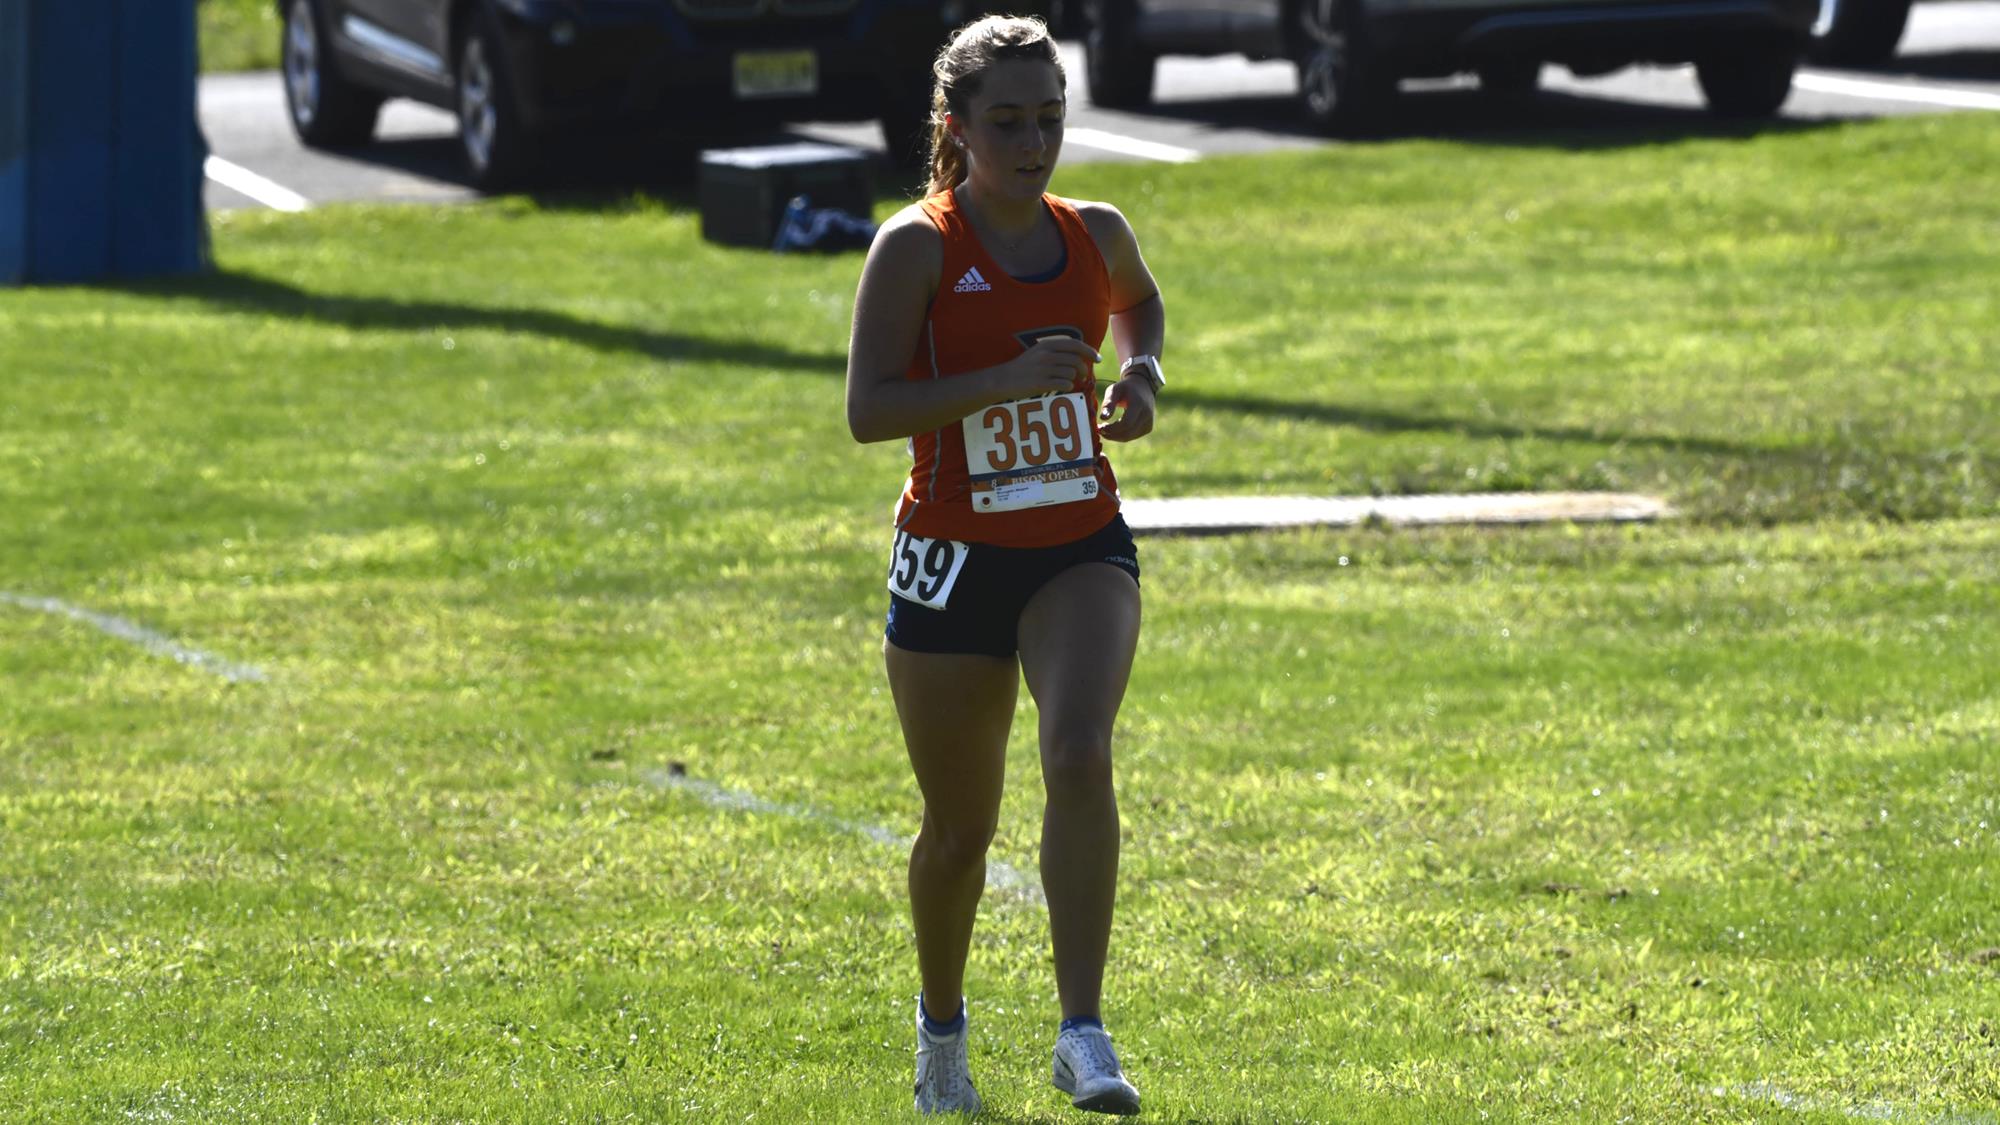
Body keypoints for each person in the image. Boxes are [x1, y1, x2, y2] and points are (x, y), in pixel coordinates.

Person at [843, 14, 1166, 1118]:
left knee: (1078, 754)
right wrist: (1008, 381)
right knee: (958, 833)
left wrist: (1145, 376)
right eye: (1007, 123)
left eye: (1049, 119)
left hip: (1078, 538)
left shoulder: (1096, 230)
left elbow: (1140, 304)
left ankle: (1082, 1033)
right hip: (949, 557)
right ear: (956, 128)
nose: (1033, 144)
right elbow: (867, 410)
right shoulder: (918, 246)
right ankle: (942, 1037)